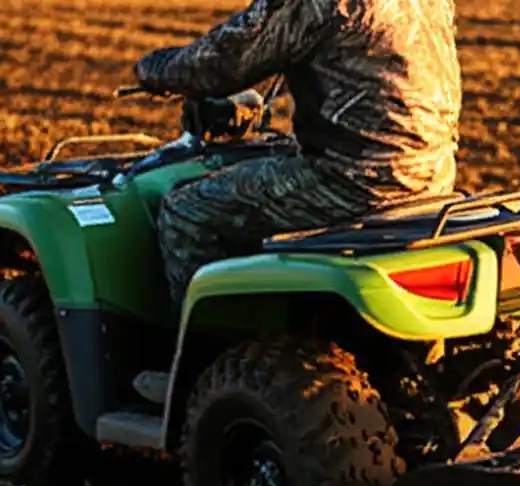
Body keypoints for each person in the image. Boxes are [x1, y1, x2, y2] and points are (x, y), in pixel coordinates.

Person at [133, 0, 463, 313]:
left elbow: (227, 59)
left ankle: (214, 364)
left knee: (187, 212)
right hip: (431, 171)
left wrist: (157, 69)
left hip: (353, 179)